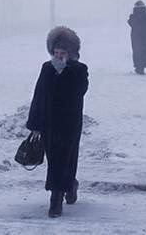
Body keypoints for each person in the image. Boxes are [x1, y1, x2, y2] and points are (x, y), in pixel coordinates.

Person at [26, 26, 89, 218]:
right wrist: (35, 123)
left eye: (63, 53)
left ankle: (58, 197)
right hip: (49, 124)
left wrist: (66, 71)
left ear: (71, 53)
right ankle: (63, 190)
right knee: (55, 161)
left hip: (70, 124)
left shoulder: (79, 70)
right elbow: (39, 95)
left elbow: (80, 91)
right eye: (56, 52)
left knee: (67, 158)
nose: (59, 56)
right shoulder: (47, 68)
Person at [127, 0, 146, 75]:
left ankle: (138, 68)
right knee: (144, 52)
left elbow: (130, 23)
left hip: (136, 38)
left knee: (137, 53)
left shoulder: (134, 16)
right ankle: (141, 68)